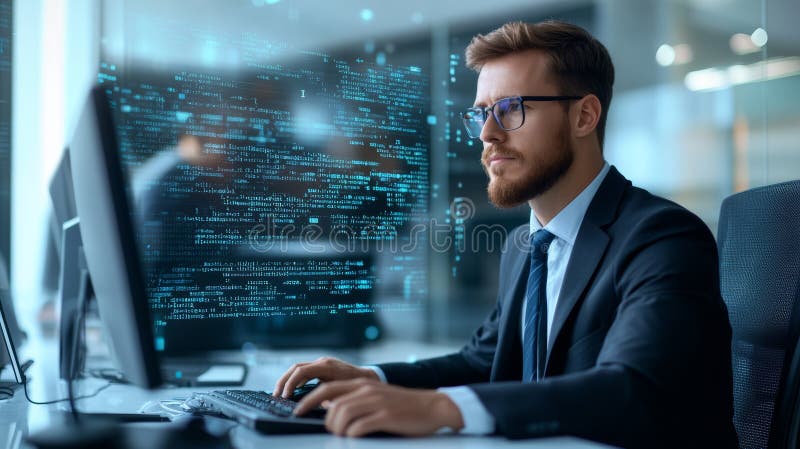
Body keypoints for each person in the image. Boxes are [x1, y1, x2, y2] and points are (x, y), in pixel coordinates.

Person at [273, 20, 738, 448]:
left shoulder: (662, 237)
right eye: (482, 114)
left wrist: (443, 408)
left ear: (584, 116)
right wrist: (371, 378)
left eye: (511, 109)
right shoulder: (525, 246)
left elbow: (633, 387)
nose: (487, 134)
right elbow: (483, 362)